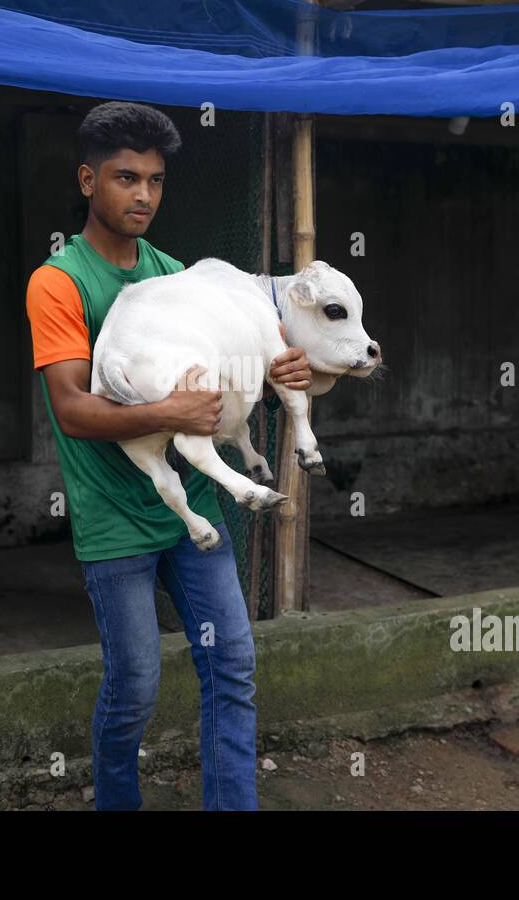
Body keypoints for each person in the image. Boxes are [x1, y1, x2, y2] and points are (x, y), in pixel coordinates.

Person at [24, 101, 312, 810]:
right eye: (126, 178)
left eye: (155, 180)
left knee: (232, 664)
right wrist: (170, 411)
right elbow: (72, 407)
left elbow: (223, 385)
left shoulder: (176, 275)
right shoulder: (59, 283)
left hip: (195, 512)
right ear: (89, 180)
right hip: (115, 519)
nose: (144, 195)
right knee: (135, 691)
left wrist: (284, 375)